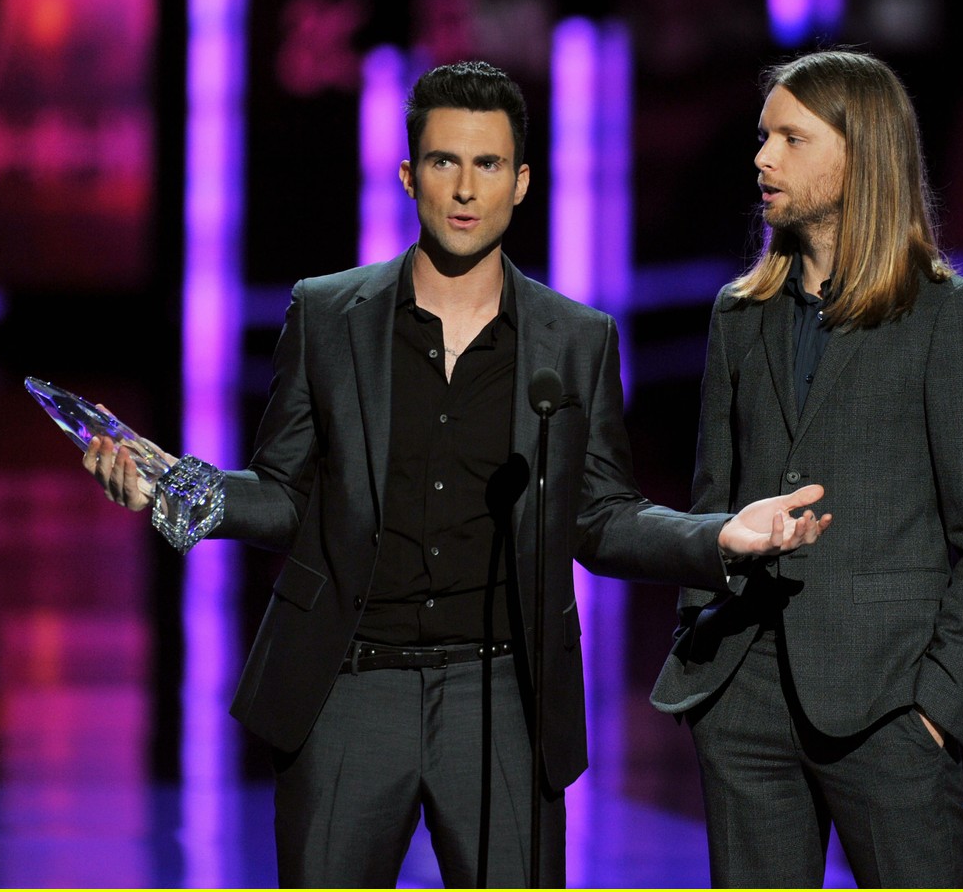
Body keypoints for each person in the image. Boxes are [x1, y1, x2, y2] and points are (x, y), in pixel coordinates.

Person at [84, 60, 829, 889]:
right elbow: (287, 491)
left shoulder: (574, 341)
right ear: (409, 175)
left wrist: (718, 535)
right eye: (444, 162)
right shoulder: (329, 316)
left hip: (502, 696)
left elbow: (602, 515)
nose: (465, 188)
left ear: (521, 181)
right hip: (347, 690)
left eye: (487, 165)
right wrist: (179, 490)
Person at [650, 50, 963, 888]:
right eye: (761, 135)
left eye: (790, 137)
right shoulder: (738, 314)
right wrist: (702, 649)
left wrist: (936, 707)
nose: (762, 158)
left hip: (888, 709)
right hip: (744, 698)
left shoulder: (945, 317)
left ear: (860, 153)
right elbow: (713, 496)